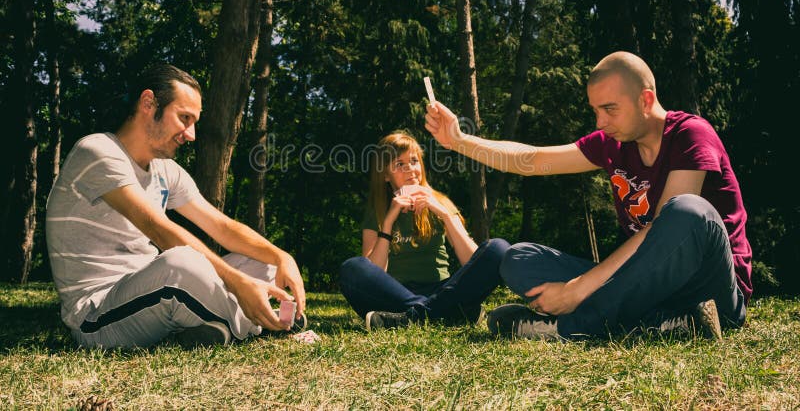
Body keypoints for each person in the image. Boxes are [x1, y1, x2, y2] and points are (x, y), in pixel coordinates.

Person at [424, 51, 752, 340]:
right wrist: (459, 141)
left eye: (610, 109)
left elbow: (668, 227)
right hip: (647, 289)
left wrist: (577, 290)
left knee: (687, 211)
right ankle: (667, 325)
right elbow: (533, 161)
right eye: (595, 110)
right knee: (518, 259)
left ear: (646, 100)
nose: (600, 122)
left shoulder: (690, 134)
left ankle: (570, 327)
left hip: (710, 289)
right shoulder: (611, 144)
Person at [46, 64, 307, 348]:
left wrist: (281, 257)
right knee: (180, 263)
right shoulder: (98, 151)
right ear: (149, 103)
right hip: (98, 315)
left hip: (152, 293)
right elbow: (159, 230)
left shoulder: (166, 170)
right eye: (184, 118)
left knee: (259, 259)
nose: (191, 134)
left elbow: (222, 227)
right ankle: (264, 323)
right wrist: (237, 283)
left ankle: (213, 327)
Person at [339, 131, 510, 329]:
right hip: (396, 294)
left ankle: (411, 317)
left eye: (414, 160)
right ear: (385, 175)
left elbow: (471, 260)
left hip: (445, 290)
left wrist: (445, 215)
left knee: (499, 249)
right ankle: (447, 314)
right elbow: (373, 272)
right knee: (351, 269)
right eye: (399, 164)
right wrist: (388, 223)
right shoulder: (377, 210)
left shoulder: (441, 203)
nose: (410, 169)